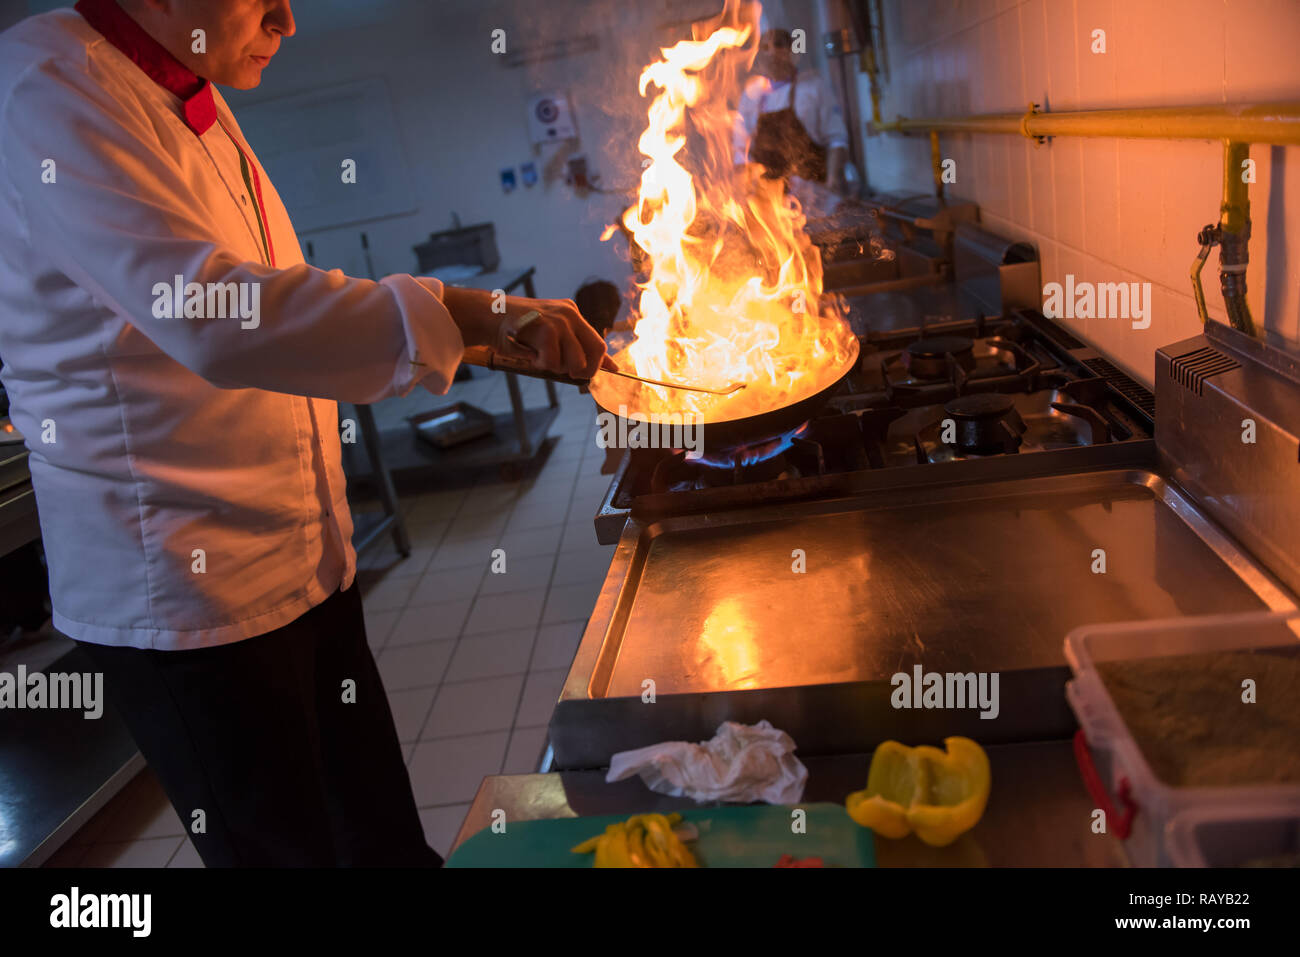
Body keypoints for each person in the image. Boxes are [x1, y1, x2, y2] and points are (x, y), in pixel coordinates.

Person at [0, 0, 606, 867]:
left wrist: (468, 322)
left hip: (303, 559)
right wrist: (459, 314)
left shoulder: (187, 84)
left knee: (386, 844)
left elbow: (275, 286)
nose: (288, 19)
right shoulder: (44, 85)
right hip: (190, 594)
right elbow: (213, 312)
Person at [735, 28, 851, 196]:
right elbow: (740, 150)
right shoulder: (751, 94)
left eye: (779, 45)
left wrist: (833, 180)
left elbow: (837, 140)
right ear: (758, 55)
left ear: (792, 51)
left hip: (812, 196)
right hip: (766, 200)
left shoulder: (814, 87)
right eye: (765, 47)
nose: (772, 52)